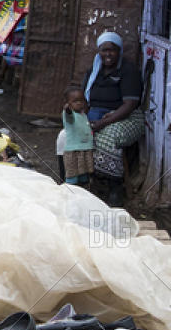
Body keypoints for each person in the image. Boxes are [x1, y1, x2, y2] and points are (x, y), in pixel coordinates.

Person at [83, 30, 144, 203]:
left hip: (126, 116)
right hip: (96, 116)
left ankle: (115, 187)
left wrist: (102, 123)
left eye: (112, 50)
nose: (108, 54)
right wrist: (80, 120)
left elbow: (130, 104)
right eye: (104, 50)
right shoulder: (93, 71)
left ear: (119, 51)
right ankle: (75, 183)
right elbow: (83, 99)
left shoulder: (127, 71)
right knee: (66, 137)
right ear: (99, 51)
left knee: (107, 138)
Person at [60, 85, 95, 187]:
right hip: (74, 151)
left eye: (81, 100)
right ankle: (70, 193)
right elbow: (69, 118)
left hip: (85, 150)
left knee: (83, 175)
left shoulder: (83, 114)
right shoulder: (69, 115)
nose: (79, 103)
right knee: (73, 175)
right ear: (68, 103)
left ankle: (82, 192)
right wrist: (67, 111)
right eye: (75, 101)